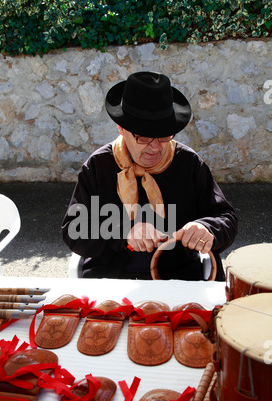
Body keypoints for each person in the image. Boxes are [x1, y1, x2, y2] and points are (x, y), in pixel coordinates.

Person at [62, 71, 237, 281]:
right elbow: (74, 229)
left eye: (164, 136)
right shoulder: (99, 166)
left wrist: (206, 228)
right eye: (143, 138)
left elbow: (226, 218)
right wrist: (124, 231)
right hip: (111, 279)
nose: (155, 148)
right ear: (121, 129)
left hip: (176, 278)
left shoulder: (188, 163)